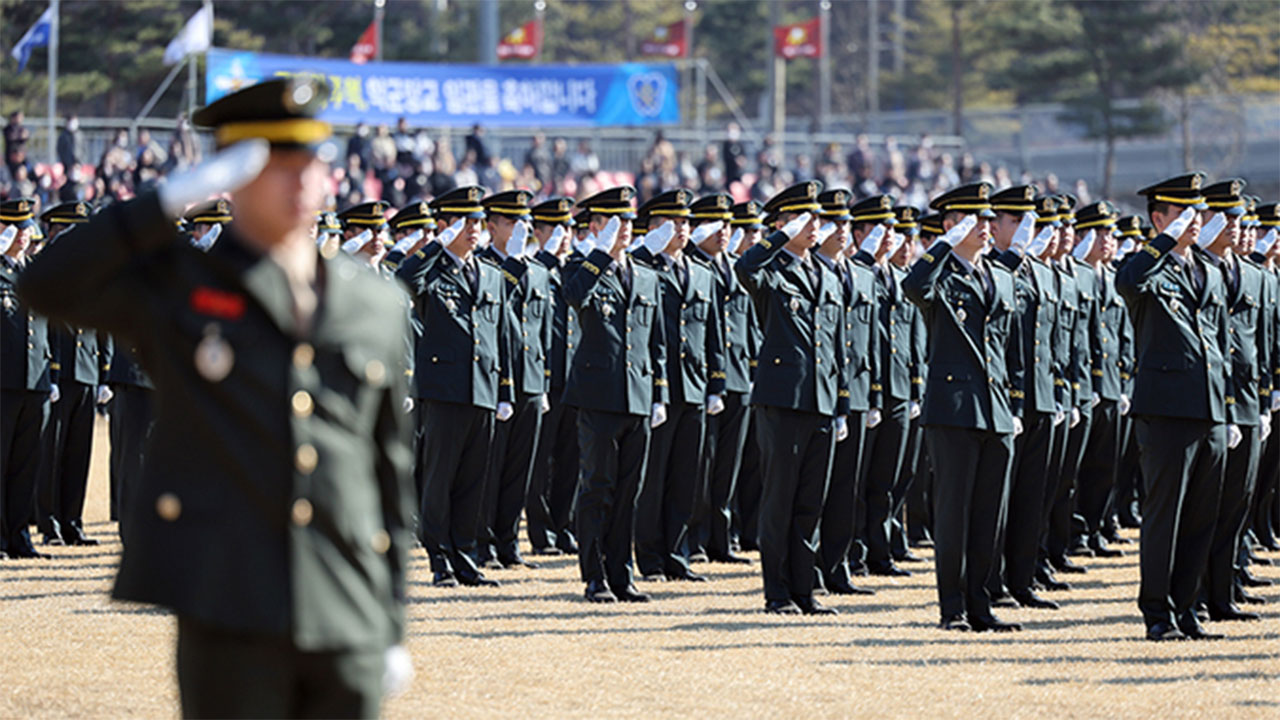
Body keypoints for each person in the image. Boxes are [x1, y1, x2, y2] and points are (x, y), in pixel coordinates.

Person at [17, 77, 416, 717]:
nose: (298, 179)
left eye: (309, 160)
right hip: (230, 605)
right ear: (232, 177)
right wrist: (166, 199)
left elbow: (386, 472)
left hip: (346, 606)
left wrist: (391, 617)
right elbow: (45, 285)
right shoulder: (180, 286)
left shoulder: (374, 302)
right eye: (273, 163)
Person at [902, 182, 1024, 632]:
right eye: (975, 220)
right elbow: (913, 286)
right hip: (954, 409)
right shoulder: (940, 275)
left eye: (989, 218)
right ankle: (952, 607)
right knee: (954, 512)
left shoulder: (998, 275)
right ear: (952, 226)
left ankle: (981, 604)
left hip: (995, 409)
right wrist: (942, 245)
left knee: (989, 513)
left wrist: (1015, 403)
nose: (986, 226)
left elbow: (1012, 347)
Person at [1115, 172, 1231, 642]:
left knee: (1202, 517)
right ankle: (1157, 613)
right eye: (1182, 213)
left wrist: (1229, 404)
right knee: (1165, 514)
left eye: (1197, 213)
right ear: (1159, 219)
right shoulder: (1145, 266)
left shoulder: (1207, 269)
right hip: (1165, 411)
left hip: (1210, 407)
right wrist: (1163, 242)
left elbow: (1219, 339)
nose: (1194, 221)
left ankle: (1188, 608)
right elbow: (1128, 281)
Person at [735, 181, 850, 616]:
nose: (814, 225)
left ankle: (805, 589)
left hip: (821, 400)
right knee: (780, 499)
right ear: (782, 224)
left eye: (817, 217)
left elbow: (837, 345)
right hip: (783, 400)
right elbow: (745, 268)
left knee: (809, 502)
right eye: (804, 218)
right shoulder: (772, 270)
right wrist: (779, 236)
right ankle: (778, 592)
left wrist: (841, 404)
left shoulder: (825, 273)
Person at [395, 185, 509, 590]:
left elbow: (500, 334)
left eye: (478, 221)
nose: (474, 229)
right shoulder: (431, 269)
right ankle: (439, 558)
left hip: (482, 387)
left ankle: (465, 555)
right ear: (445, 226)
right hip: (444, 390)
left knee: (472, 481)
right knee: (439, 479)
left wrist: (505, 390)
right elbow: (402, 280)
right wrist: (436, 245)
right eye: (464, 222)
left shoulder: (490, 273)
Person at [561, 186, 668, 603]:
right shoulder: (582, 265)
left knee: (628, 492)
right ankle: (595, 576)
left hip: (637, 394)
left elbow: (655, 340)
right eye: (614, 221)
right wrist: (600, 253)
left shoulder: (645, 274)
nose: (624, 228)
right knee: (597, 488)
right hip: (599, 395)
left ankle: (622, 574)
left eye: (628, 220)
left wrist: (658, 392)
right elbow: (574, 296)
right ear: (595, 226)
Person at [630, 189, 726, 583]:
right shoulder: (645, 268)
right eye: (673, 223)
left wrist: (716, 382)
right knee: (654, 478)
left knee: (687, 476)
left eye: (686, 222)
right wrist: (645, 248)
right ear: (654, 230)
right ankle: (650, 557)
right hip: (661, 388)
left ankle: (677, 553)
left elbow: (713, 331)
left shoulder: (702, 272)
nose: (682, 229)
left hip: (694, 386)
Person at [1197, 179, 1267, 622]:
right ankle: (1199, 593)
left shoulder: (1250, 273)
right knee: (1208, 504)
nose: (1235, 227)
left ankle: (1224, 591)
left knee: (1238, 502)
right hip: (1212, 400)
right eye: (1224, 218)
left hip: (1246, 400)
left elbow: (1260, 341)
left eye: (1238, 220)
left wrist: (1264, 396)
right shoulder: (1201, 269)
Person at [475, 189, 551, 570]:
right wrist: (513, 266)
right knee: (489, 467)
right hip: (495, 379)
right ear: (491, 227)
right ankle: (483, 543)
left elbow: (543, 329)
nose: (521, 228)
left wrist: (544, 382)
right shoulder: (483, 265)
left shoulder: (537, 269)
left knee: (520, 468)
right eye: (511, 222)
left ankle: (509, 543)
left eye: (524, 221)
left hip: (530, 379)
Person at [686, 193, 757, 565]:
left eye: (728, 224)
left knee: (729, 464)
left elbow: (750, 323)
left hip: (739, 375)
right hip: (705, 378)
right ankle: (696, 538)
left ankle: (723, 538)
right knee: (703, 463)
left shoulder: (736, 266)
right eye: (715, 224)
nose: (724, 231)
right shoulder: (693, 264)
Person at [814, 189, 878, 596]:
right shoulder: (810, 271)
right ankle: (810, 568)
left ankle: (839, 567)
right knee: (815, 488)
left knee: (846, 488)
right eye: (832, 223)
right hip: (821, 391)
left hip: (854, 391)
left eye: (845, 223)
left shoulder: (860, 273)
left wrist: (873, 395)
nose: (841, 230)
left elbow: (870, 340)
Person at [34, 201, 107, 547]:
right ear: (54, 232)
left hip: (87, 371)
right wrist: (50, 370)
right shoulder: (46, 271)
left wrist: (103, 372)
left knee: (79, 453)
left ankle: (73, 522)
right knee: (53, 452)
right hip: (59, 372)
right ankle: (49, 524)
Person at [525, 198, 581, 556]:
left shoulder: (574, 268)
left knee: (570, 461)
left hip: (574, 378)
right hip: (545, 379)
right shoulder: (533, 269)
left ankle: (564, 526)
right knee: (540, 462)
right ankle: (541, 531)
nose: (566, 236)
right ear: (539, 233)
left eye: (569, 229)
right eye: (557, 230)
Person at [1, 198, 53, 560]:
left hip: (34, 380)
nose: (22, 234)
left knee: (25, 465)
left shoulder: (35, 272)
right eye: (13, 226)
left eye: (25, 226)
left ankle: (19, 536)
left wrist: (50, 376)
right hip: (3, 382)